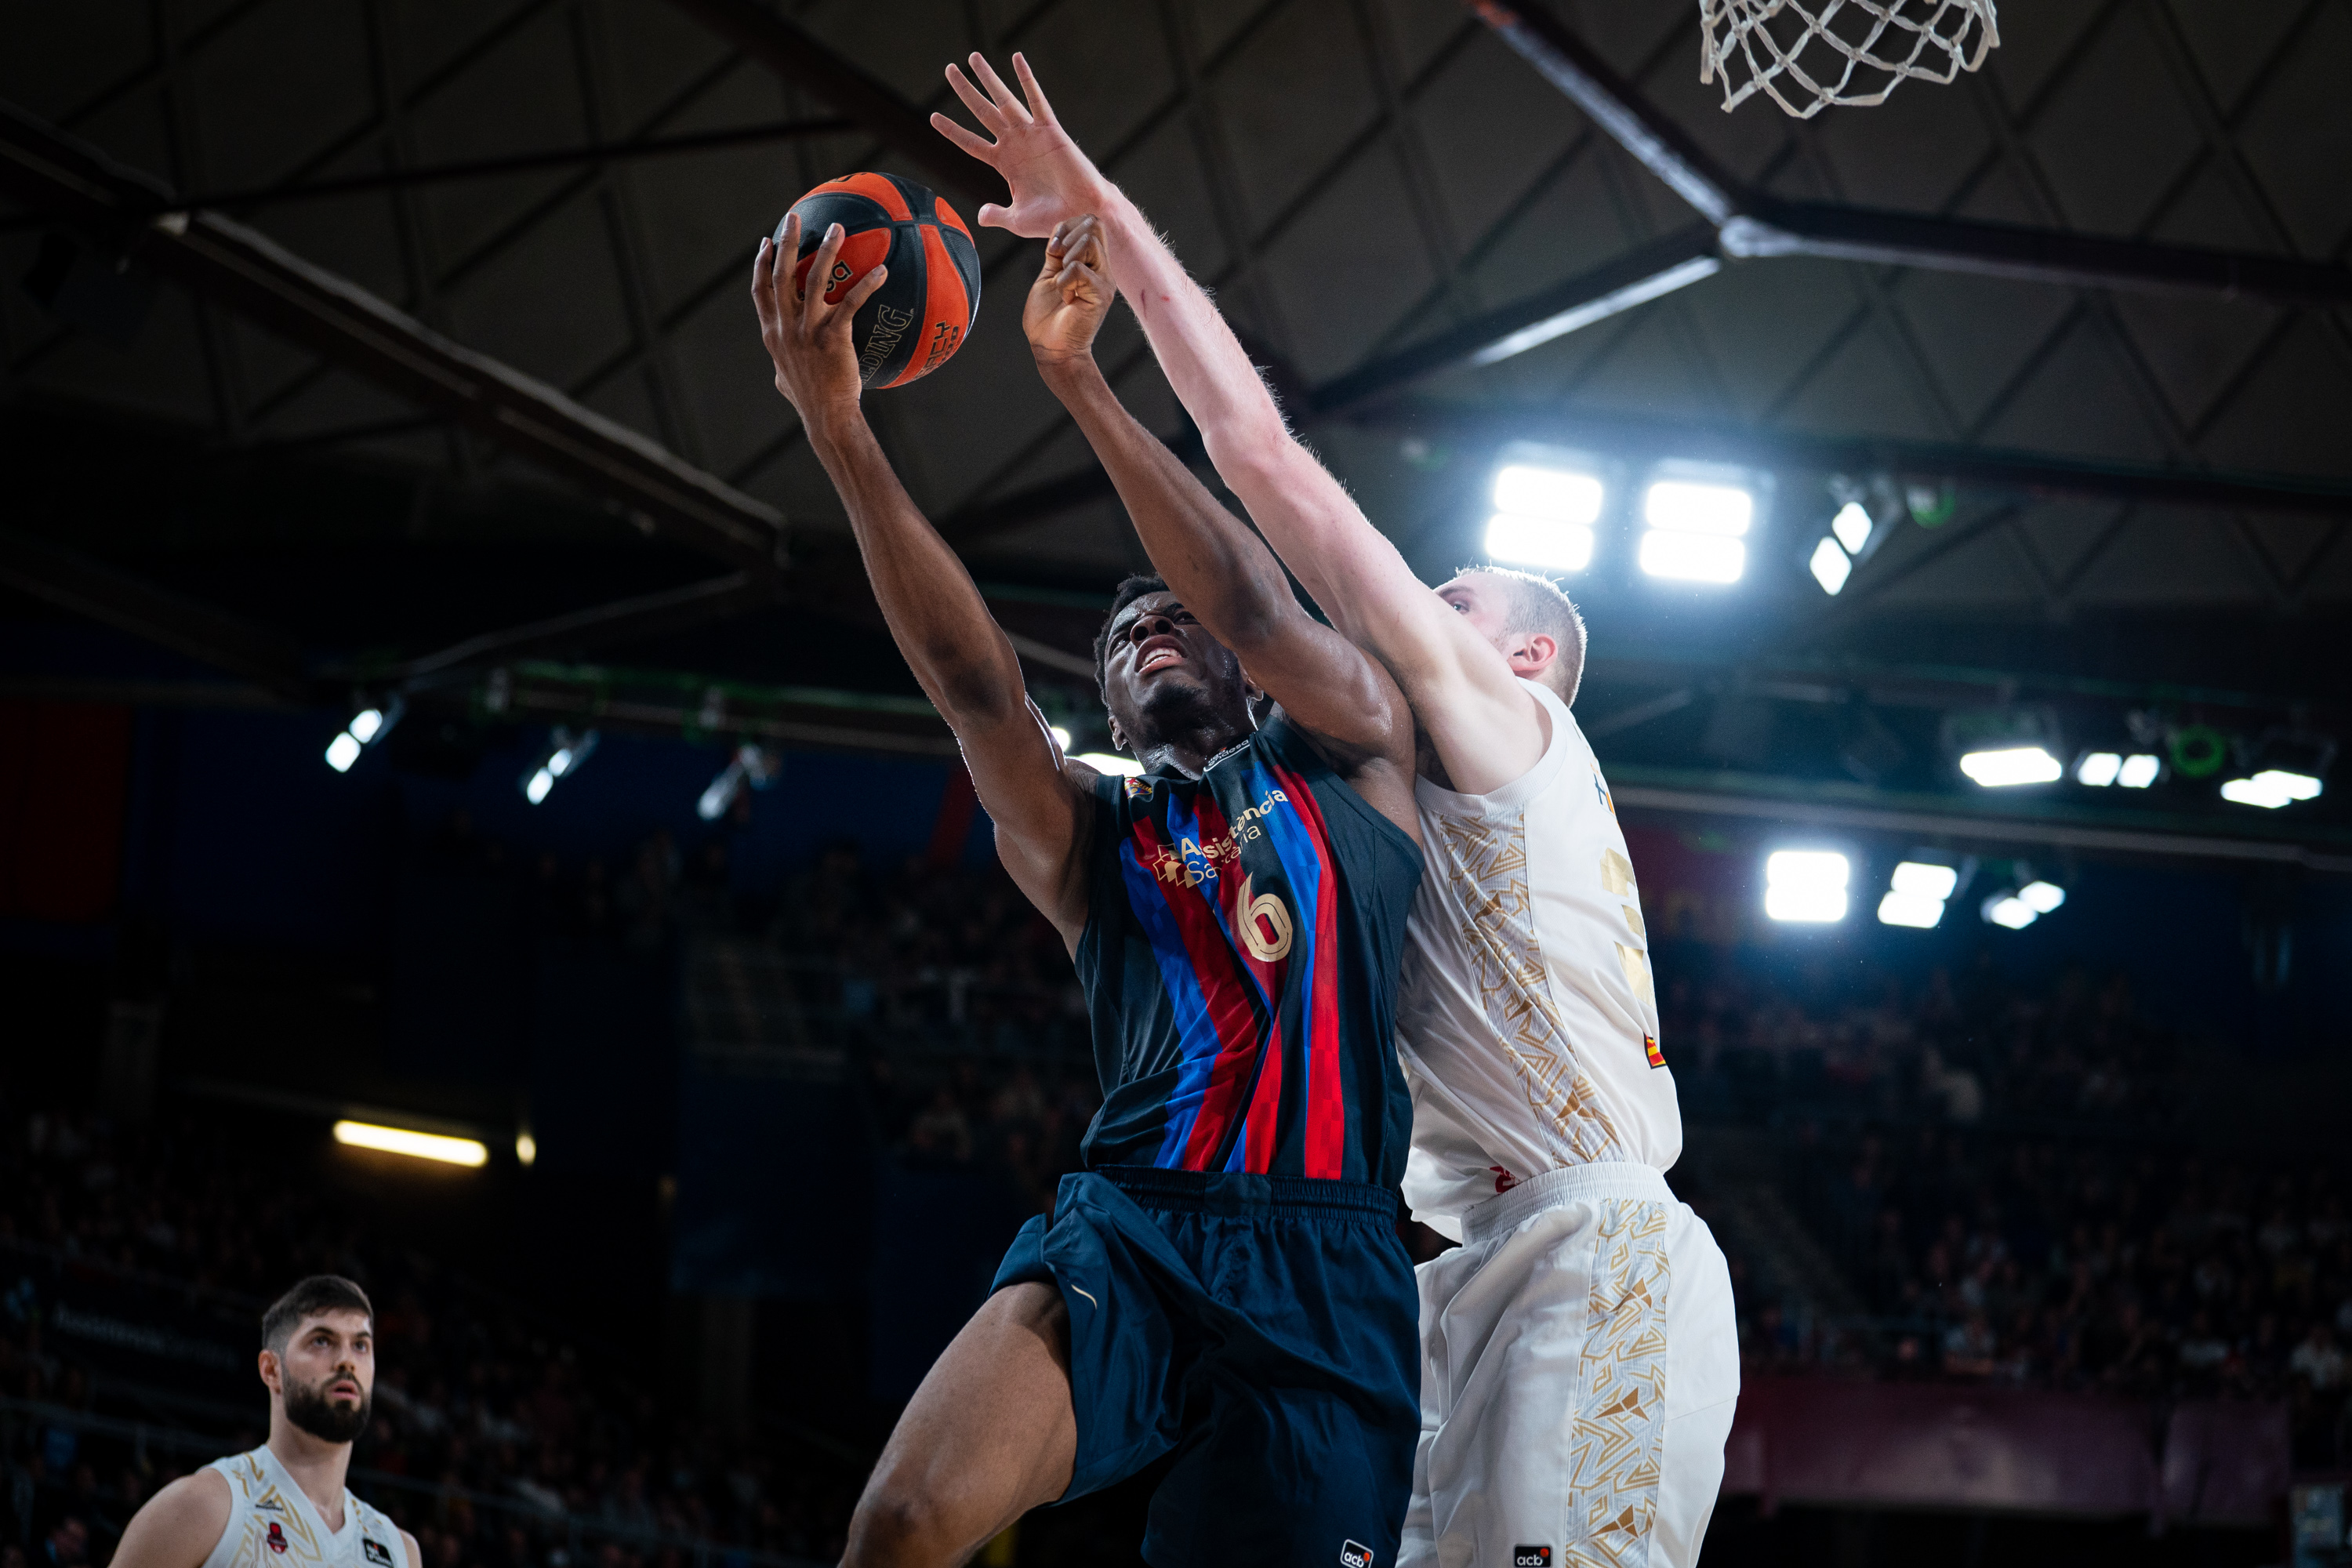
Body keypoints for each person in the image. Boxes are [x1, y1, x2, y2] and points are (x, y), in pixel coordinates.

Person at [932, 53, 1740, 1568]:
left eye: (1449, 597)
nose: (1410, 609)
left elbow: (1259, 462)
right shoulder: (1358, 800)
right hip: (1453, 1266)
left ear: (1523, 657)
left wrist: (1099, 209)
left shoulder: (1506, 724)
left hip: (1598, 1245)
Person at [750, 192, 1425, 1567]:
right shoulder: (1090, 837)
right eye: (1121, 634)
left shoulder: (1358, 752)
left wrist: (1075, 378)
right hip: (1133, 1228)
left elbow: (1245, 600)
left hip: (1329, 1267)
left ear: (1250, 670)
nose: (1152, 628)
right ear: (1111, 710)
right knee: (901, 1523)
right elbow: (973, 689)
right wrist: (838, 428)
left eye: (1170, 614)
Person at [111, 1276, 420, 1568]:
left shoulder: (398, 1550)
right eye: (322, 1341)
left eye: (361, 1345)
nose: (347, 1360)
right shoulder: (203, 1506)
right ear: (271, 1369)